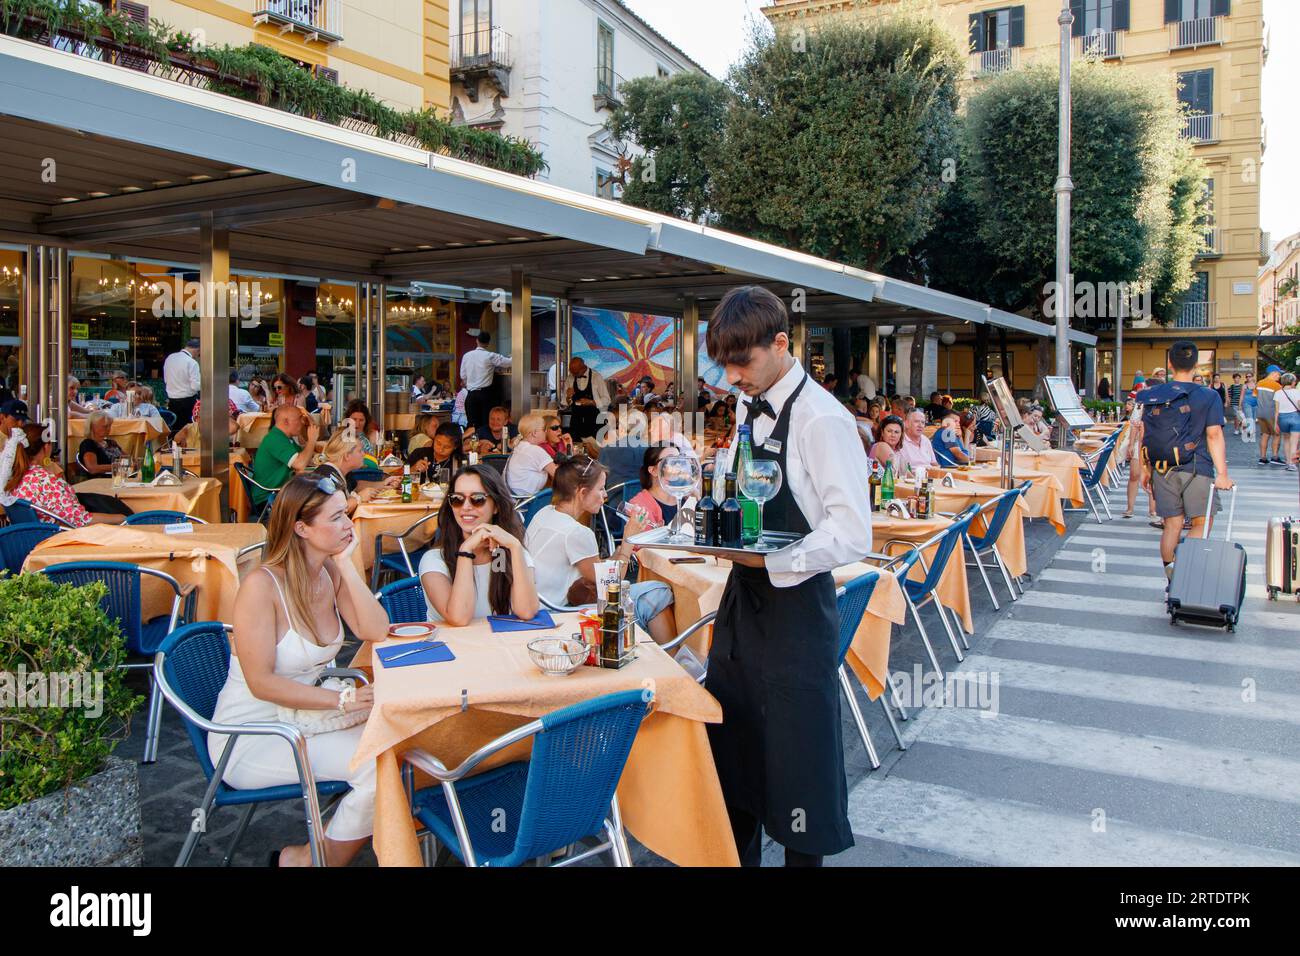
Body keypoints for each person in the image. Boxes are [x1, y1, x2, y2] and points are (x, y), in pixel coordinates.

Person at [701, 286, 872, 868]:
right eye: (724, 364)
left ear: (781, 343)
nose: (731, 376)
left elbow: (853, 533)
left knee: (800, 765)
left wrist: (772, 562)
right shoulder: (749, 403)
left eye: (741, 362)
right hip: (740, 609)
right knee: (735, 748)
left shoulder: (825, 419)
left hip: (797, 614)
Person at [214, 474, 390, 867]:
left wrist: (347, 564)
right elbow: (261, 684)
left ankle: (309, 857)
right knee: (379, 769)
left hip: (308, 716)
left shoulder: (329, 570)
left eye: (346, 514)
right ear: (301, 528)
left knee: (396, 746)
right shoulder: (262, 586)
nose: (348, 525)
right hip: (254, 733)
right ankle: (310, 862)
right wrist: (342, 699)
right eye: (336, 519)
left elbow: (376, 629)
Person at [524, 458, 681, 635]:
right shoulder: (576, 533)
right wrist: (629, 539)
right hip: (557, 613)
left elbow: (599, 569)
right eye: (600, 489)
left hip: (536, 605)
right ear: (582, 492)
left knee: (649, 593)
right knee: (659, 592)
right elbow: (610, 584)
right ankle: (670, 658)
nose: (605, 495)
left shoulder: (544, 513)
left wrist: (623, 547)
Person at [1136, 339, 1233, 582]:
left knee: (1172, 524)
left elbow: (1144, 433)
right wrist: (1222, 473)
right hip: (1197, 467)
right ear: (1196, 364)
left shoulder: (1152, 394)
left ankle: (1172, 576)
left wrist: (1145, 469)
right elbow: (1214, 434)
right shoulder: (1209, 395)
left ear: (1169, 364)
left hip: (1161, 468)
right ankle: (1185, 568)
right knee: (1202, 522)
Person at [418, 465, 538, 625]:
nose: (466, 507)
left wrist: (515, 547)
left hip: (496, 645)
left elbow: (526, 611)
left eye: (477, 499)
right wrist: (466, 551)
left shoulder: (499, 555)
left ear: (496, 506)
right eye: (457, 499)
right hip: (449, 647)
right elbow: (459, 618)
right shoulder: (435, 560)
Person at [2, 423, 124, 526]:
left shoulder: (13, 479)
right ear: (46, 447)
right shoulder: (46, 481)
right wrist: (123, 518)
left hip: (31, 539)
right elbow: (82, 520)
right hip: (57, 540)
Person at [251, 405, 320, 508]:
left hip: (280, 492)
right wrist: (312, 440)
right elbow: (300, 464)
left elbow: (305, 457)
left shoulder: (284, 438)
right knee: (319, 501)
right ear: (286, 421)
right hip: (269, 498)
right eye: (299, 418)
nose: (302, 422)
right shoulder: (275, 439)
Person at [319, 430, 398, 515]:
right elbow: (333, 514)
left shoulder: (342, 472)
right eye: (360, 451)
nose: (364, 454)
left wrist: (384, 484)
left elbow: (356, 486)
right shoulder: (326, 478)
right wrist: (358, 498)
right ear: (347, 456)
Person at [459, 331, 511, 435]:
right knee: (485, 425)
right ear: (488, 343)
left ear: (476, 340)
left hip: (471, 396)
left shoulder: (467, 356)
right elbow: (508, 363)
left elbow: (463, 376)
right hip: (485, 396)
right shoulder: (490, 356)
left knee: (472, 425)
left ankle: (472, 447)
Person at [1117, 398, 1157, 523]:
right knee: (1134, 474)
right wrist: (1130, 445)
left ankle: (1153, 509)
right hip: (1139, 442)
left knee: (1153, 477)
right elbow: (1134, 425)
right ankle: (1130, 508)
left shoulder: (1163, 402)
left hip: (1156, 443)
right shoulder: (1140, 405)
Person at [625, 445, 681, 529]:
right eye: (671, 460)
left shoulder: (686, 497)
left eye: (680, 459)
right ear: (653, 470)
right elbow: (644, 541)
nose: (678, 465)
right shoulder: (639, 506)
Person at [504, 413, 560, 496]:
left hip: (511, 500)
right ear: (534, 433)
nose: (546, 432)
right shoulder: (535, 450)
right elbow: (559, 475)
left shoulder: (519, 447)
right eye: (544, 429)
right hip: (527, 504)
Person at [562, 356, 611, 442]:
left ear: (583, 368)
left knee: (596, 448)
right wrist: (568, 397)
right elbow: (565, 404)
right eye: (572, 373)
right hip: (576, 422)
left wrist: (591, 402)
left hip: (595, 421)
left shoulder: (596, 377)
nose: (573, 375)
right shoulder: (570, 378)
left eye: (576, 373)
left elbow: (607, 400)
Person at [163, 338, 202, 427]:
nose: (198, 355)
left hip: (172, 401)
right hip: (187, 402)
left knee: (175, 429)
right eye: (199, 353)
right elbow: (196, 386)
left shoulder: (170, 358)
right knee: (187, 431)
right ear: (197, 350)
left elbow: (166, 380)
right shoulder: (192, 362)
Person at [77, 411, 125, 477]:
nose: (108, 429)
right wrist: (118, 466)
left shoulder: (111, 442)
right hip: (104, 479)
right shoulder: (88, 444)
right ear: (92, 426)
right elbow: (93, 468)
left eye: (109, 426)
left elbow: (127, 458)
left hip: (121, 476)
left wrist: (130, 463)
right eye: (105, 426)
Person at [1255, 364, 1285, 465]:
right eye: (1278, 374)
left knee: (1265, 434)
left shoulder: (1259, 383)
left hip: (1260, 412)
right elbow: (1280, 401)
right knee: (1276, 434)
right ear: (1272, 373)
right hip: (1272, 413)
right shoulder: (1277, 386)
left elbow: (1255, 396)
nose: (1279, 376)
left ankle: (1262, 458)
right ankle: (1275, 457)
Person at [895, 409, 938, 476]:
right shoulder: (899, 441)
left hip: (930, 477)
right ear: (906, 424)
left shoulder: (926, 440)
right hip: (911, 479)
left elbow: (934, 463)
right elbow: (898, 469)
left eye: (923, 422)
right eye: (916, 421)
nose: (920, 425)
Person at [1273, 372, 1300, 473]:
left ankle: (1288, 462)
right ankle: (1293, 464)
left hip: (1282, 418)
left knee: (1286, 441)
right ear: (1292, 382)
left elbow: (1276, 411)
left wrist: (1275, 423)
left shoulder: (1278, 393)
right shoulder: (1297, 392)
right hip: (1295, 417)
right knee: (1294, 442)